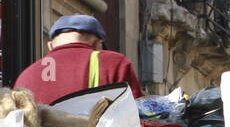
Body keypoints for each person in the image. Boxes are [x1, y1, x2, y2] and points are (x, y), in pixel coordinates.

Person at [13, 14, 143, 105]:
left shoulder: (25, 76)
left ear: (50, 45)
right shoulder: (114, 64)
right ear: (97, 43)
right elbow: (139, 116)